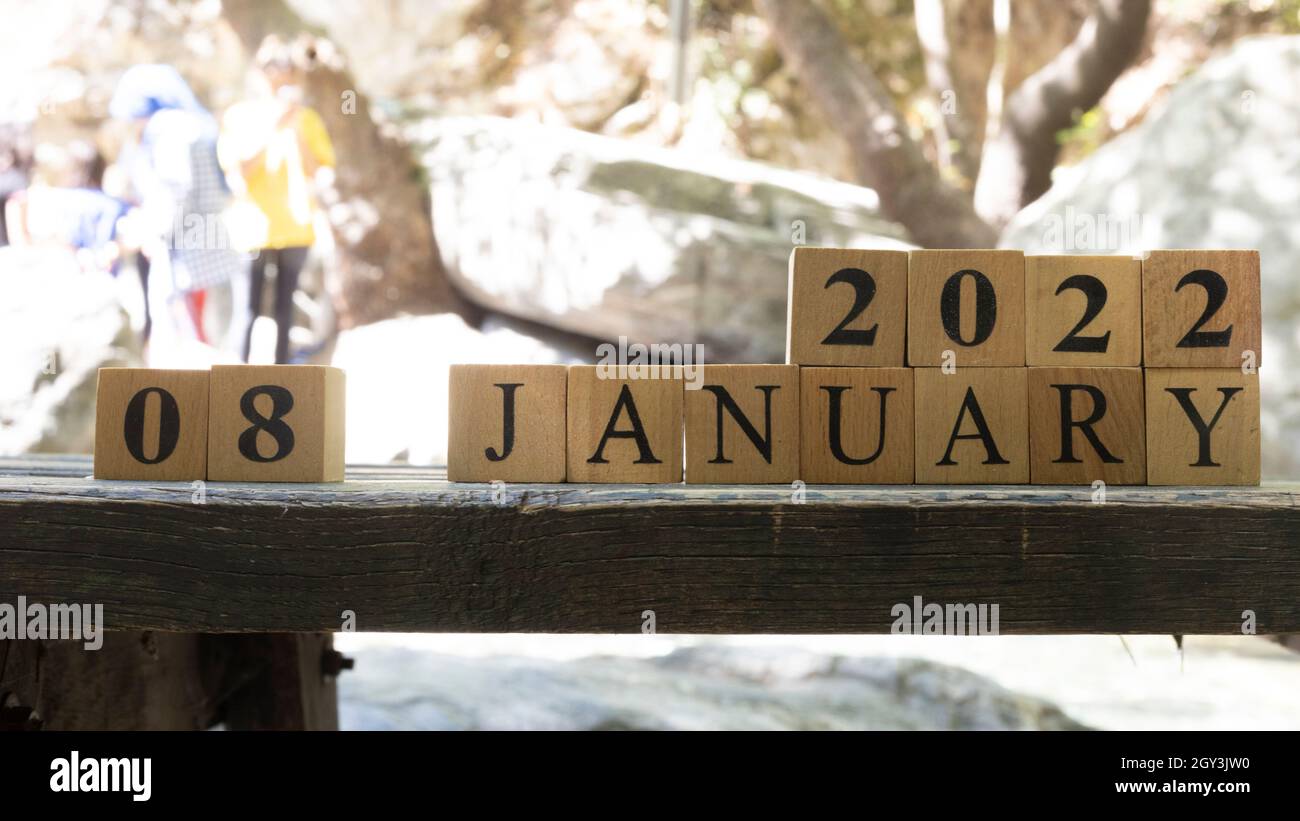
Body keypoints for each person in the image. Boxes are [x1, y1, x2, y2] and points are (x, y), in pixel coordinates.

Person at [109, 64, 245, 351]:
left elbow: (175, 190)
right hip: (213, 244)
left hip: (187, 257)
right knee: (213, 343)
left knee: (194, 347)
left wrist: (151, 232)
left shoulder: (167, 128)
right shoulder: (195, 123)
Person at [220, 35, 336, 364]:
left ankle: (283, 384)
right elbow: (239, 172)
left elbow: (317, 171)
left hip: (296, 226)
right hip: (253, 228)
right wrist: (274, 126)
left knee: (286, 310)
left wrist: (295, 127)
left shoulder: (307, 119)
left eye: (286, 65)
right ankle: (236, 380)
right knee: (248, 310)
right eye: (272, 64)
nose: (279, 72)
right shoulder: (239, 116)